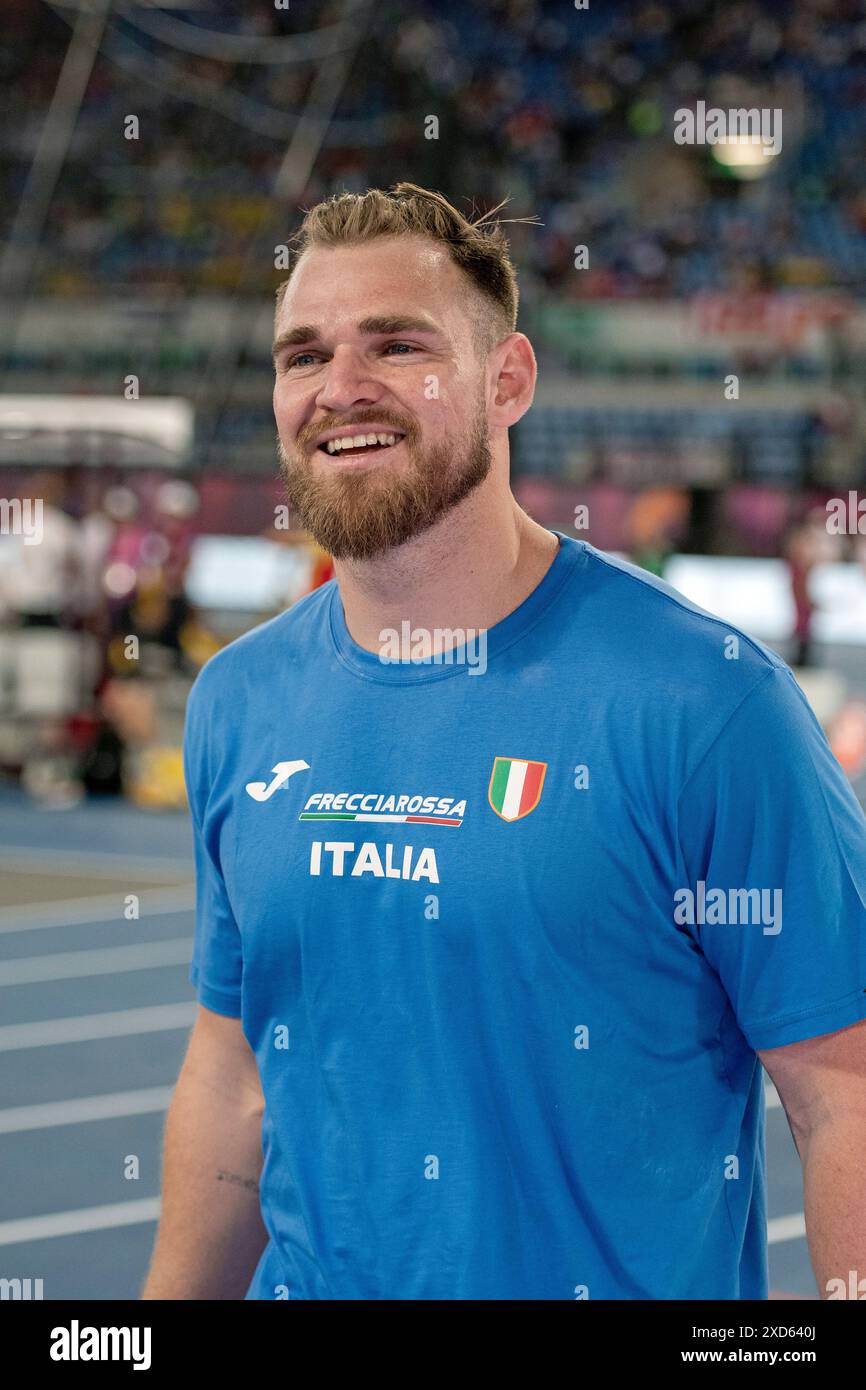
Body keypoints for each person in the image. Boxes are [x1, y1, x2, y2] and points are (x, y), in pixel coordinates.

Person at [143, 184, 866, 1302]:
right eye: (302, 354)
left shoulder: (704, 705)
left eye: (396, 344)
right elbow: (234, 1071)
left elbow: (841, 1096)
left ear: (506, 380)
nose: (340, 388)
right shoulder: (238, 700)